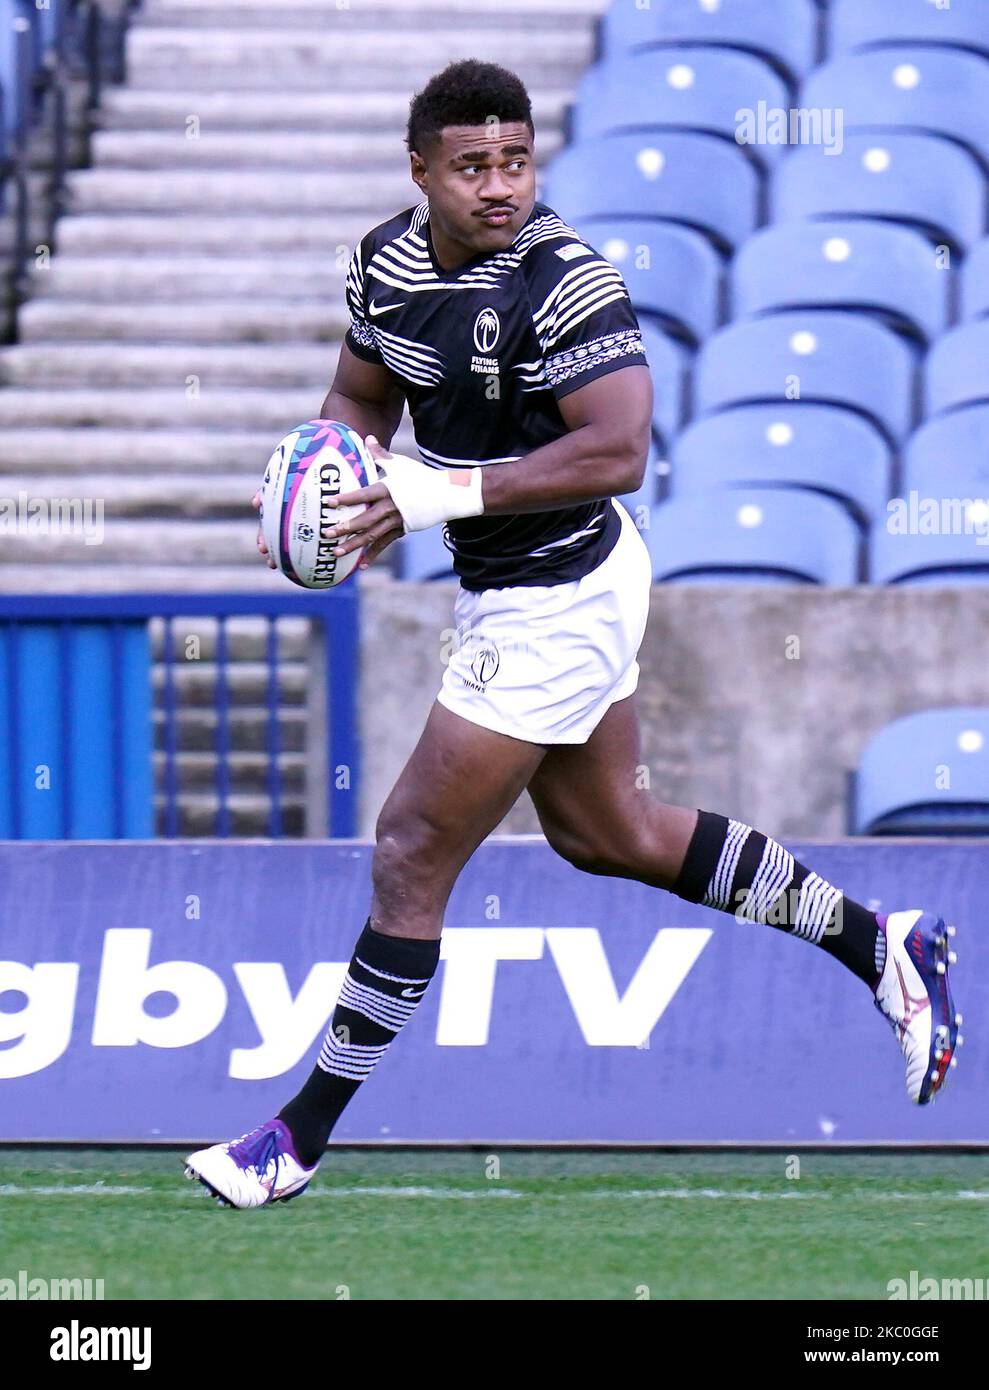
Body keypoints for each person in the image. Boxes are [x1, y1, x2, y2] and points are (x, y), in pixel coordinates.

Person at [185, 60, 960, 1209]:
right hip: (511, 583)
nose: (499, 187)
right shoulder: (383, 265)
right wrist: (333, 485)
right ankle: (882, 943)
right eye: (471, 167)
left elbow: (618, 453)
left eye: (515, 161)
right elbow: (361, 393)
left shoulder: (567, 280)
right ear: (420, 173)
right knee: (611, 834)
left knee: (406, 849)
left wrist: (428, 498)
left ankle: (295, 1137)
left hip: (561, 590)